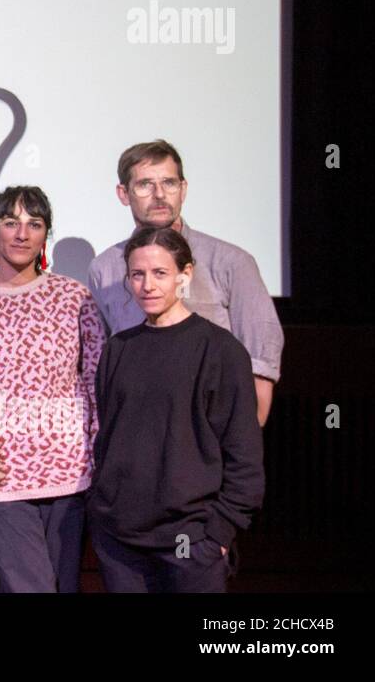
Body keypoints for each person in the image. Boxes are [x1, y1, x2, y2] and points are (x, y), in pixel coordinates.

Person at [0, 186, 104, 593]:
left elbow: (96, 383)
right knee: (30, 587)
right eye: (10, 222)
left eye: (34, 224)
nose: (22, 234)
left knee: (60, 586)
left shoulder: (75, 297)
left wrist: (101, 459)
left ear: (46, 233)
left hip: (70, 471)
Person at [87, 227, 264, 593]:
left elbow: (244, 453)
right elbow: (109, 436)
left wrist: (218, 531)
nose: (147, 285)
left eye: (160, 273)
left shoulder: (220, 350)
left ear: (186, 274)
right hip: (120, 540)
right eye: (137, 274)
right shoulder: (118, 349)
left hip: (192, 541)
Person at [88, 139, 283, 426]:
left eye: (169, 183)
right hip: (133, 428)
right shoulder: (104, 269)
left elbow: (260, 358)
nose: (159, 195)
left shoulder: (230, 261)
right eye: (144, 184)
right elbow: (103, 361)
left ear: (184, 189)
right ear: (123, 193)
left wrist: (241, 439)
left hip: (206, 429)